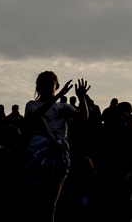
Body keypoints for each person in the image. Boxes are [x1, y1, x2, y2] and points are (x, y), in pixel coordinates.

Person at [25, 72, 90, 222]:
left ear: (56, 85)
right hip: (38, 155)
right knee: (36, 200)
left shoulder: (62, 107)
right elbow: (34, 116)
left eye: (51, 83)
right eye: (44, 83)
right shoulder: (32, 104)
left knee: (51, 203)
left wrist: (81, 97)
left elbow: (83, 117)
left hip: (58, 155)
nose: (48, 87)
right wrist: (58, 95)